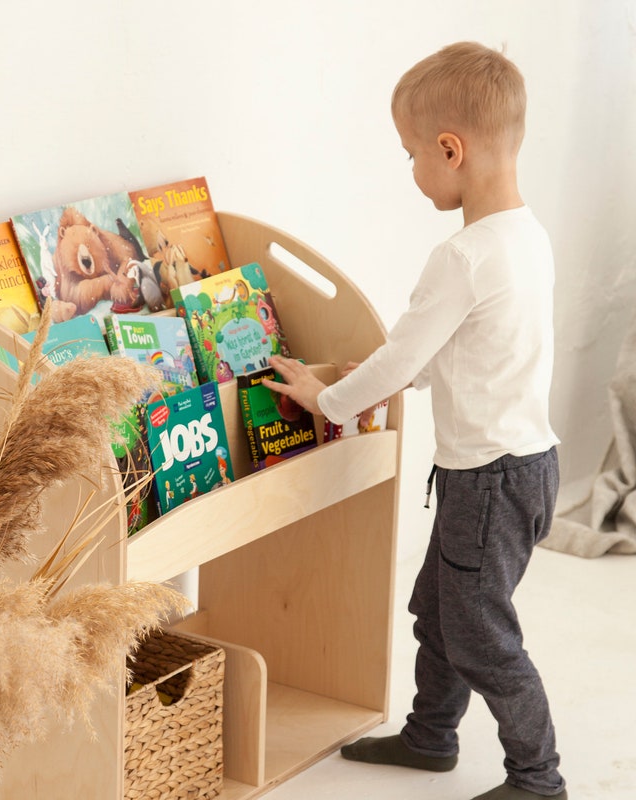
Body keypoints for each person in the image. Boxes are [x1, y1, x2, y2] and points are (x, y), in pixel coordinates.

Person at [264, 42, 567, 800]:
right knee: (438, 608)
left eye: (409, 155)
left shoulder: (462, 256)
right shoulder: (526, 240)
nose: (409, 171)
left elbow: (401, 361)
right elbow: (444, 356)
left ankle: (539, 779)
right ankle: (431, 736)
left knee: (480, 635)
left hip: (489, 482)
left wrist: (325, 402)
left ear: (450, 150)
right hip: (525, 468)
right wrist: (337, 376)